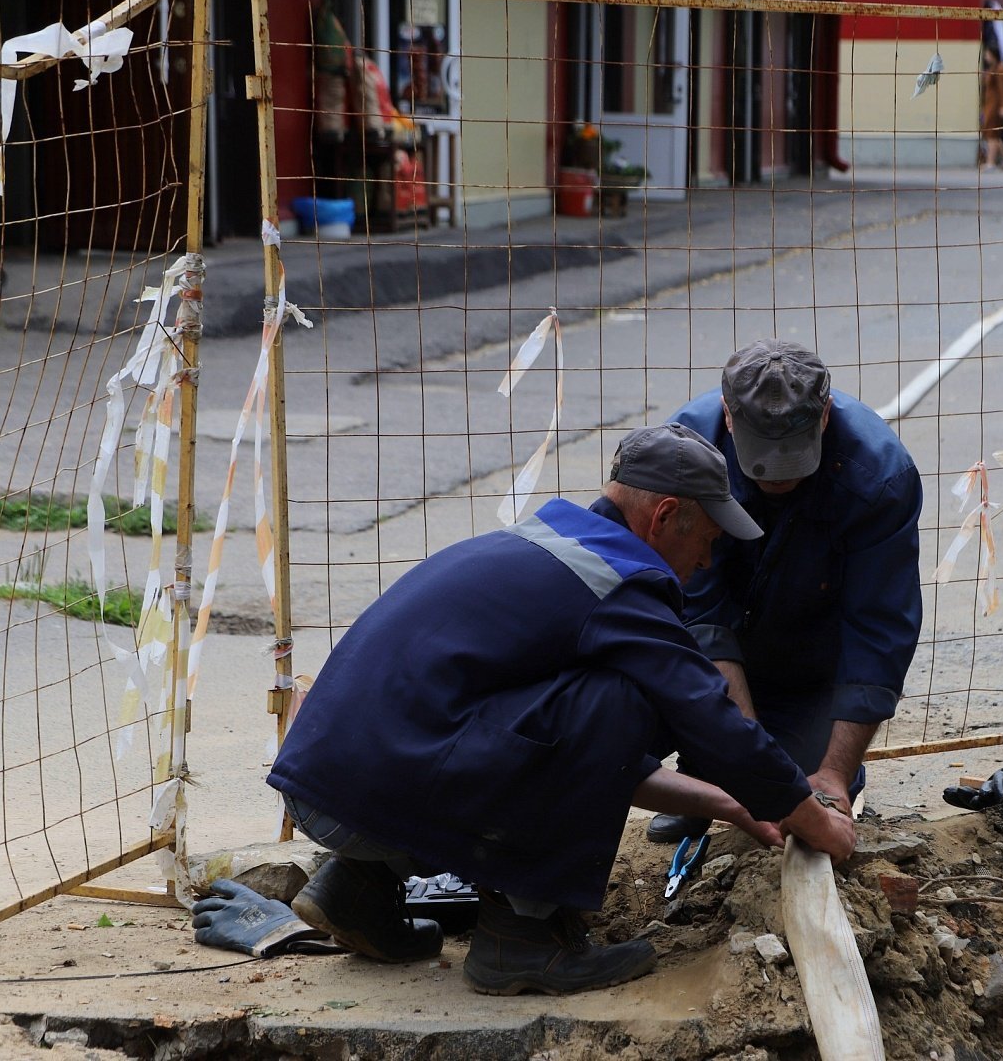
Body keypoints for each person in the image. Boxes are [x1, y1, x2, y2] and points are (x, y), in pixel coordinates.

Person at [266, 422, 856, 996]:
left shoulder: (547, 543)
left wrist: (734, 804)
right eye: (706, 538)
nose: (706, 562)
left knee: (593, 701)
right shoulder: (622, 582)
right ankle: (523, 936)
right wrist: (810, 816)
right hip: (373, 793)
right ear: (666, 516)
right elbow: (709, 717)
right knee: (631, 696)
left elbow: (596, 763)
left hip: (332, 788)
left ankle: (358, 887)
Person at [647, 340, 923, 843]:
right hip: (709, 656)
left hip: (810, 652)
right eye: (761, 460)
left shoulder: (880, 476)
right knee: (614, 713)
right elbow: (701, 612)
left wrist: (834, 774)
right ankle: (705, 775)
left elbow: (879, 630)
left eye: (793, 459)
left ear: (824, 415)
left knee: (806, 794)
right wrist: (751, 773)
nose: (778, 476)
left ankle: (780, 768)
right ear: (728, 417)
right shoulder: (686, 454)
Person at [980, 47, 1003, 171]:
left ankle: (991, 161)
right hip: (989, 104)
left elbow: (1002, 89)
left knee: (992, 133)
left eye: (988, 54)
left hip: (995, 105)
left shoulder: (1000, 69)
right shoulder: (992, 68)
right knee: (991, 132)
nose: (986, 57)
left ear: (994, 55)